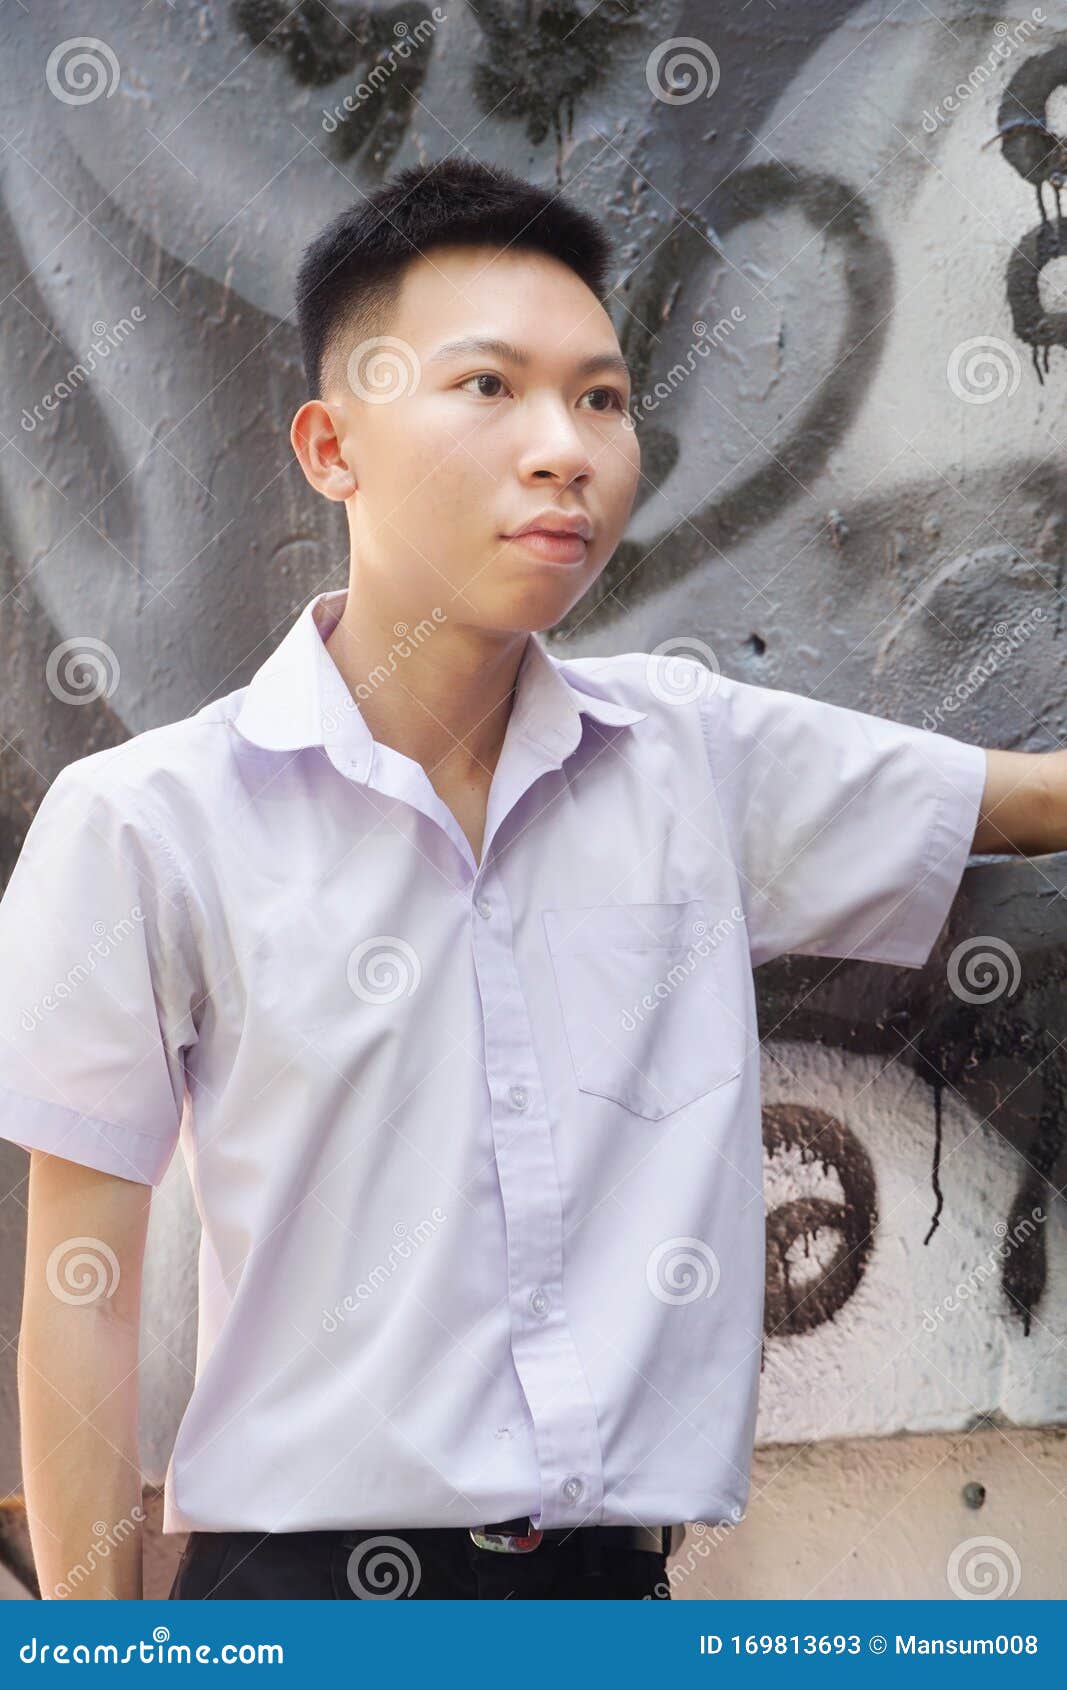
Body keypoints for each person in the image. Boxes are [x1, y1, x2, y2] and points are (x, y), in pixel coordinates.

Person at [1, 156, 1062, 1602]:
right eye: (489, 387)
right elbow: (83, 1285)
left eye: (604, 399)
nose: (565, 447)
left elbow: (1018, 807)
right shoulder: (149, 818)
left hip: (608, 1599)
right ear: (332, 445)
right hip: (298, 1603)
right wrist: (93, 1645)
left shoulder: (693, 757)